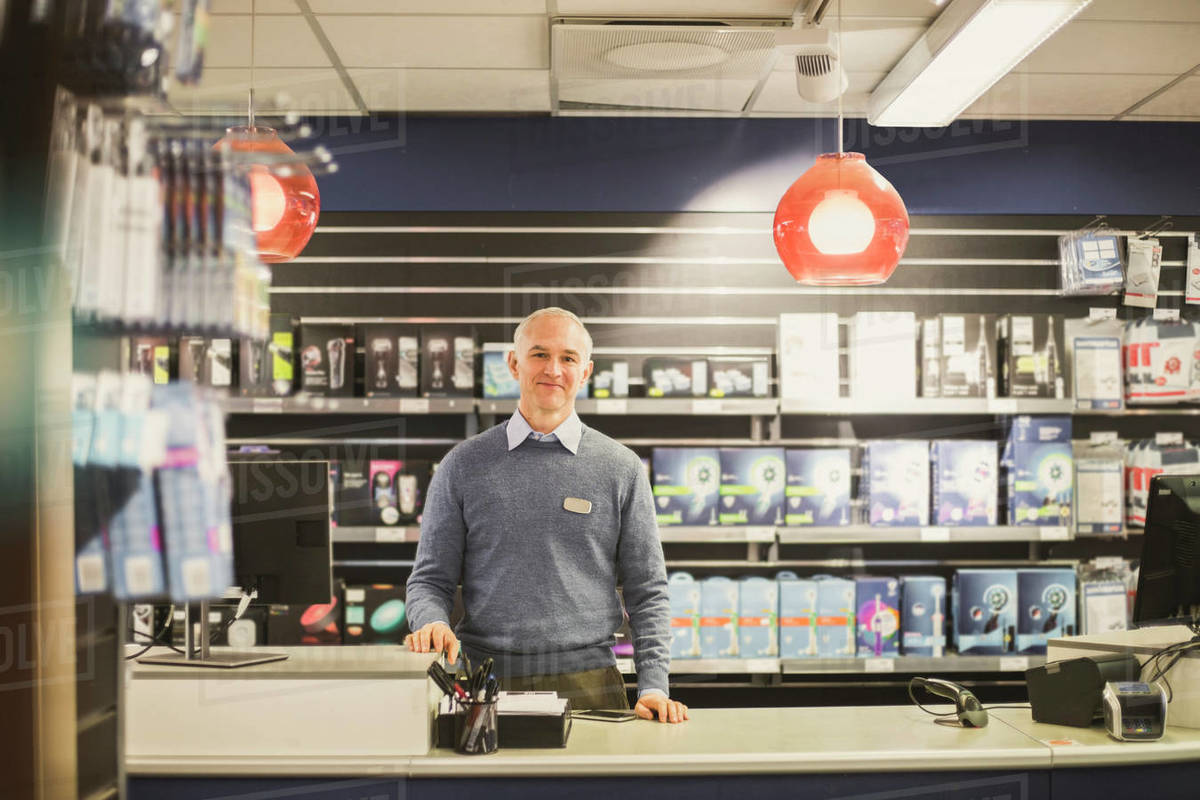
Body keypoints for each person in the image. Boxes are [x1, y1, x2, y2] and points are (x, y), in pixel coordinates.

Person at [405, 307, 689, 723]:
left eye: (568, 358)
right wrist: (431, 621)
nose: (553, 369)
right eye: (539, 354)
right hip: (483, 681)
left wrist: (653, 685)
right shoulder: (463, 465)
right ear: (514, 363)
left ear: (586, 371)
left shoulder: (620, 467)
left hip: (591, 682)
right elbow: (429, 579)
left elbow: (648, 592)